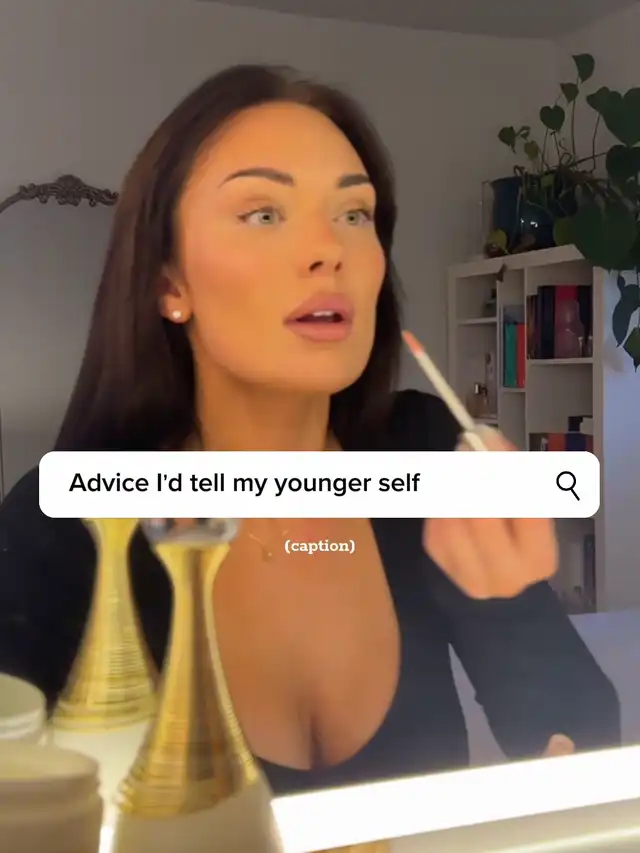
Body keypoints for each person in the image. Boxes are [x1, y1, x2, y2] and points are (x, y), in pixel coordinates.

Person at [0, 64, 619, 794]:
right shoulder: (62, 525)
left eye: (355, 214)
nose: (331, 249)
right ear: (170, 283)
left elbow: (579, 732)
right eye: (263, 213)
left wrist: (505, 599)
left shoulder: (423, 454)